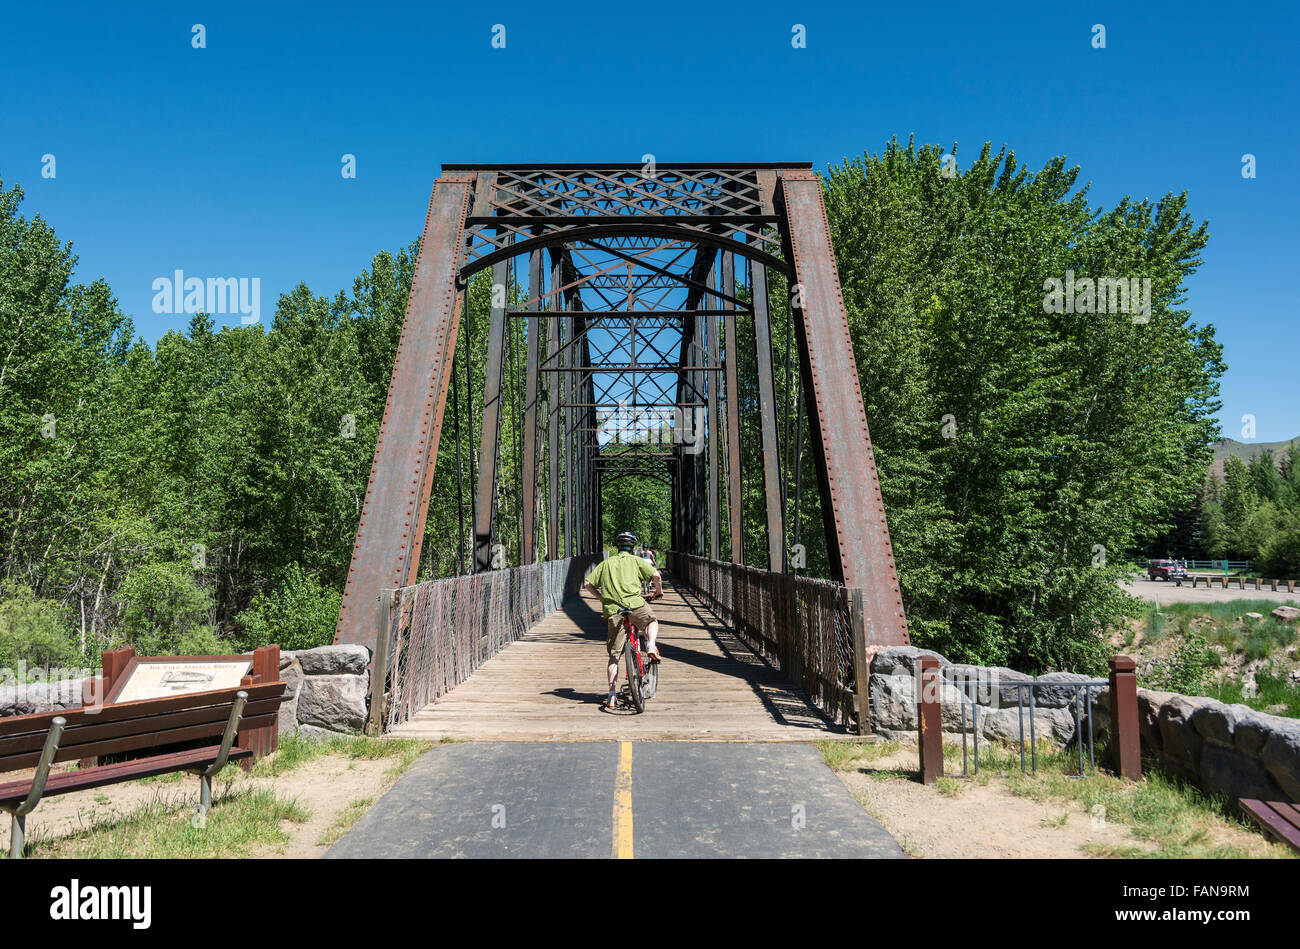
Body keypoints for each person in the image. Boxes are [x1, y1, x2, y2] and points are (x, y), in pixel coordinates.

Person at [583, 531, 663, 710]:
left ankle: (612, 696)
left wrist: (601, 598)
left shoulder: (606, 563)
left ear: (617, 547)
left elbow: (587, 584)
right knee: (651, 621)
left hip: (614, 611)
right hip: (635, 605)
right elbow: (656, 576)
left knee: (614, 656)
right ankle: (650, 645)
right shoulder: (636, 561)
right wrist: (658, 591)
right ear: (633, 547)